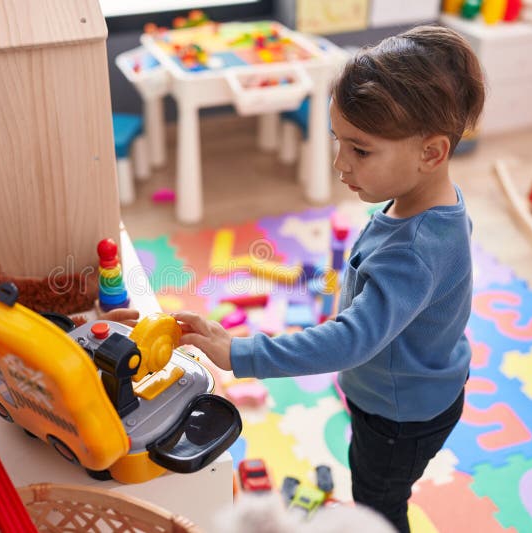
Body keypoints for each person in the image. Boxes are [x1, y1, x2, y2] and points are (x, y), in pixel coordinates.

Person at [174, 25, 484, 533]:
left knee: (378, 506)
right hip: (412, 391)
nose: (340, 164)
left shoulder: (415, 249)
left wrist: (241, 354)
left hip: (398, 417)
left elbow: (352, 340)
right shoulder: (431, 201)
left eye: (360, 151)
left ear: (432, 152)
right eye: (339, 142)